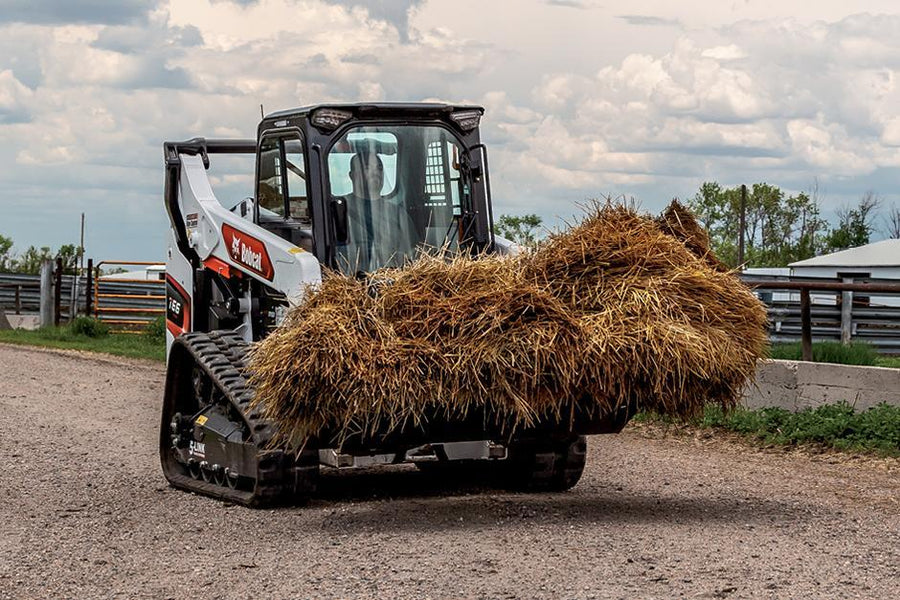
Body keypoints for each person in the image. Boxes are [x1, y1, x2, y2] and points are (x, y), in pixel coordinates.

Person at [336, 152, 416, 275]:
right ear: (352, 176)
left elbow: (414, 253)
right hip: (350, 285)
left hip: (391, 286)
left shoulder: (398, 214)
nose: (375, 173)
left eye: (379, 168)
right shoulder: (338, 209)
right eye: (367, 168)